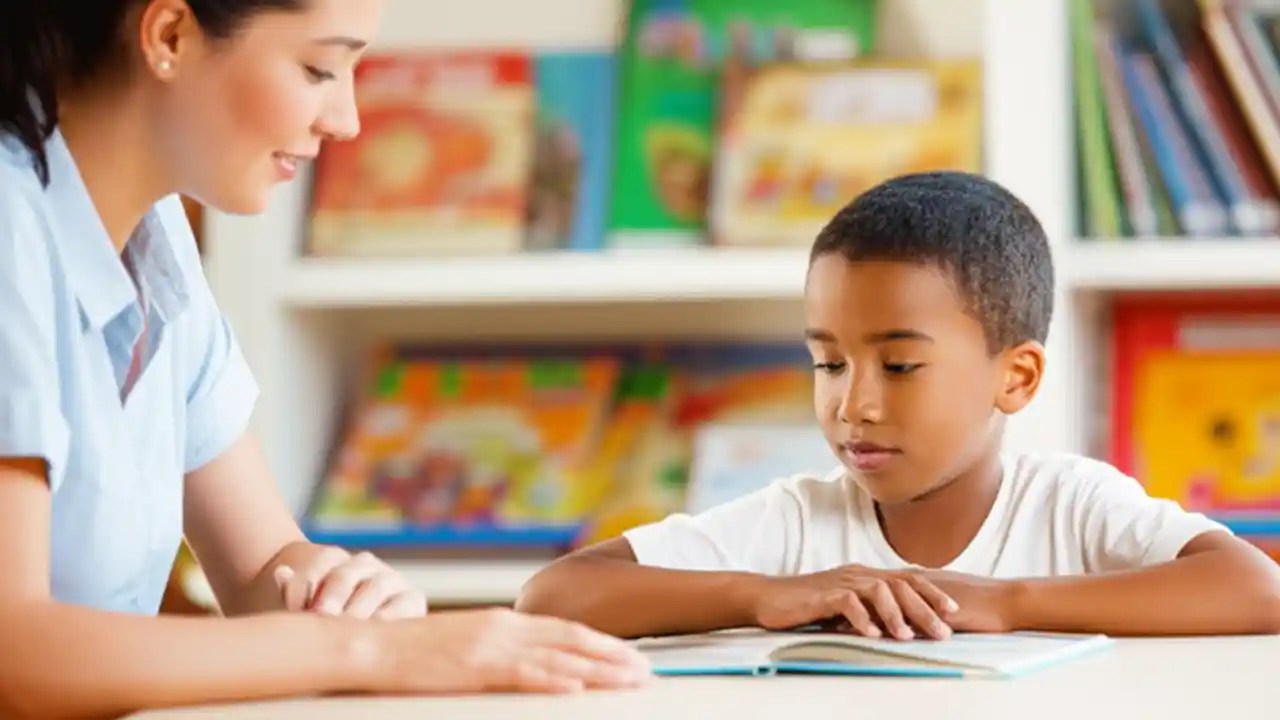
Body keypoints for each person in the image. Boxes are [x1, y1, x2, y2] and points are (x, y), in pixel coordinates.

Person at [0, 1, 649, 716]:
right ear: (171, 35)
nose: (346, 121)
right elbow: (15, 650)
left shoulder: (154, 238)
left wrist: (328, 590)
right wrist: (377, 653)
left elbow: (258, 567)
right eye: (318, 68)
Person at [517, 171, 1280, 641]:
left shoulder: (1068, 505)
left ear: (1014, 377)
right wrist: (763, 595)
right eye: (828, 362)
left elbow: (1255, 589)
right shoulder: (796, 523)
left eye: (901, 365)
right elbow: (553, 596)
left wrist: (1009, 603)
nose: (854, 404)